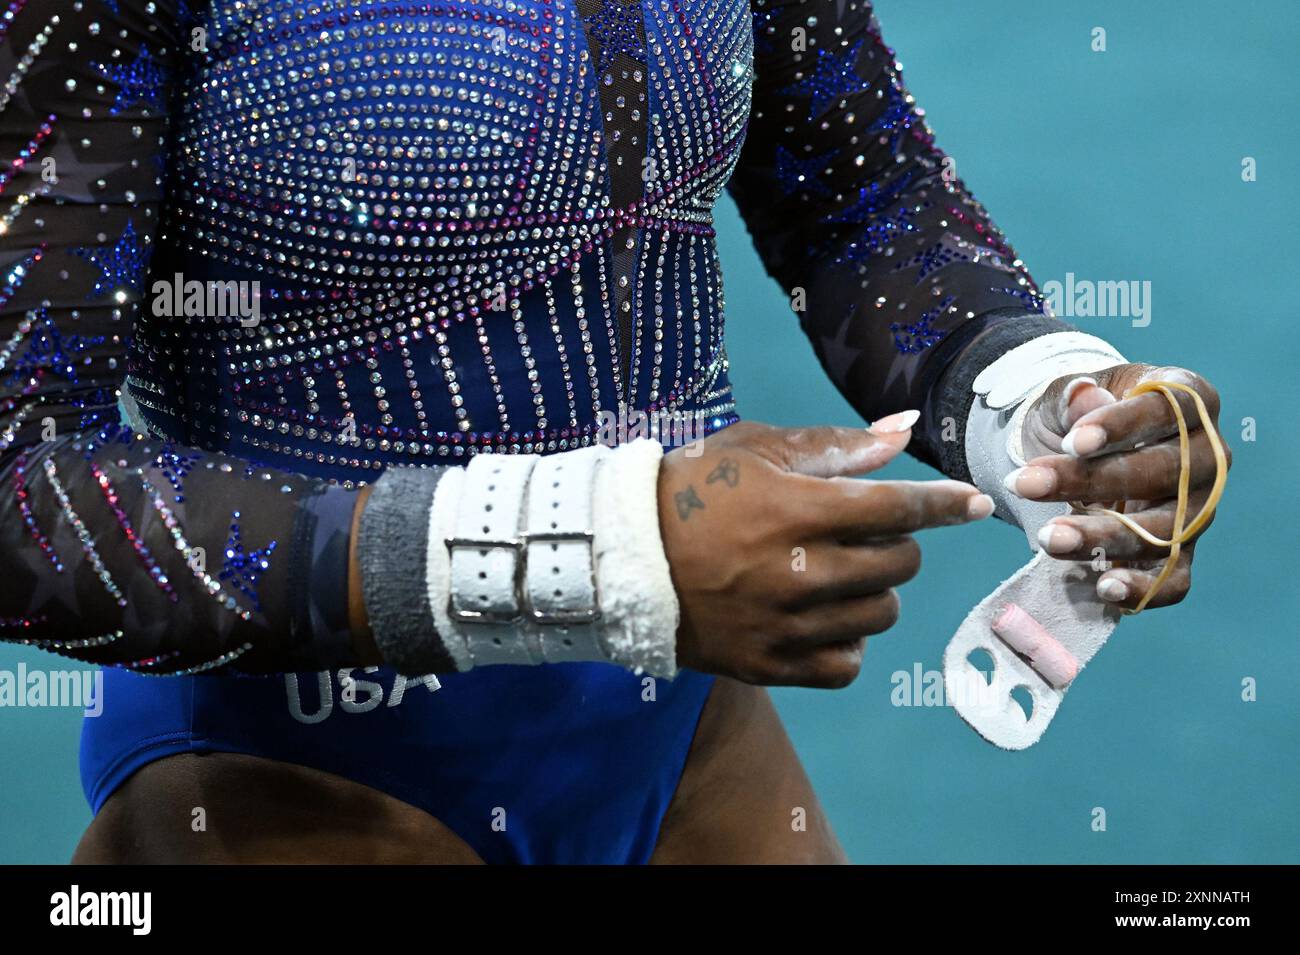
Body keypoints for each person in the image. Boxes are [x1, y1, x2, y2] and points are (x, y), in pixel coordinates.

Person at [0, 0, 1226, 863]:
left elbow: (856, 195)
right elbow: (19, 484)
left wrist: (1045, 405)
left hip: (680, 737)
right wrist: (596, 561)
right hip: (282, 779)